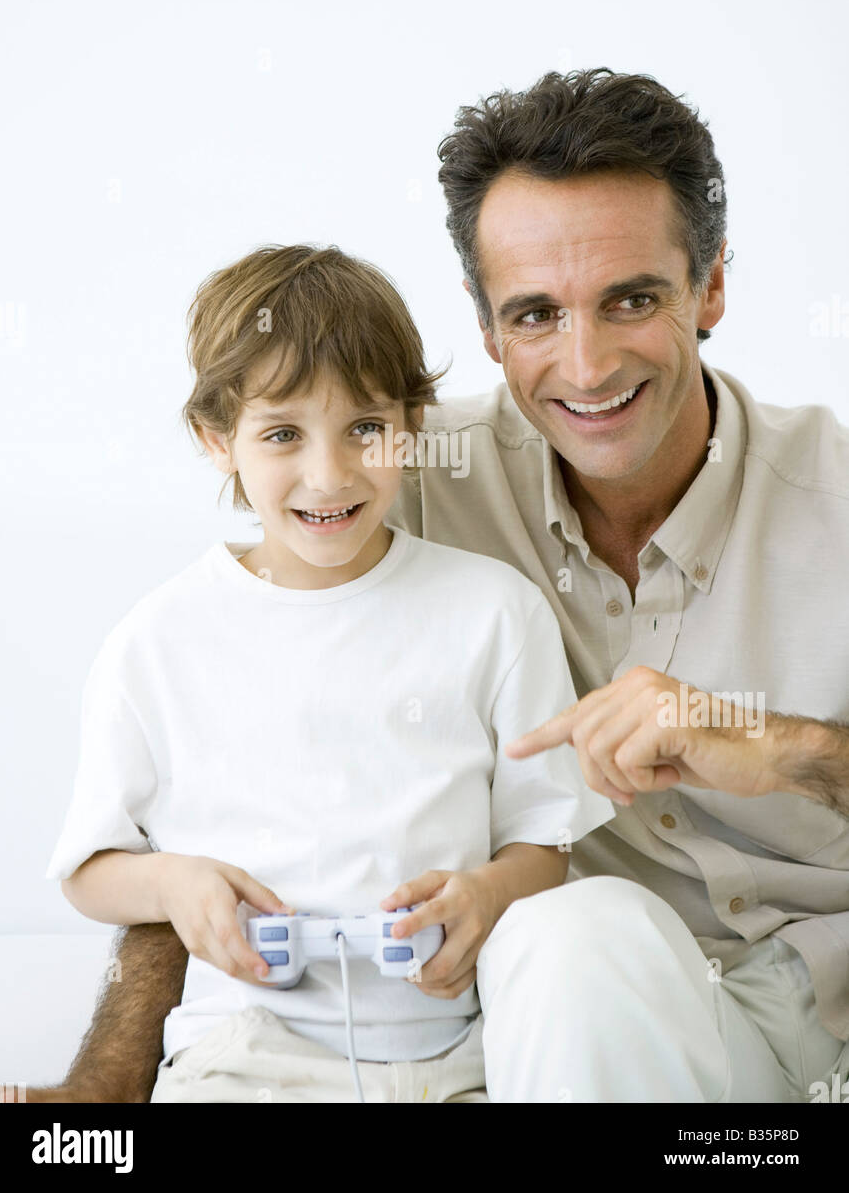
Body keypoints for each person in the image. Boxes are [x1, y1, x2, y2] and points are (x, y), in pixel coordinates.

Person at [0, 68, 848, 1104]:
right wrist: (106, 1086)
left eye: (631, 298)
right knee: (570, 926)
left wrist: (784, 746)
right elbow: (227, 781)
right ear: (487, 331)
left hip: (825, 1003)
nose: (584, 364)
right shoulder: (380, 481)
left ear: (710, 287)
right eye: (535, 313)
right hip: (585, 1016)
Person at [39, 242, 614, 1104]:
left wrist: (486, 891)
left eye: (365, 429)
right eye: (281, 434)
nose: (328, 473)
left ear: (412, 427)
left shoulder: (494, 613)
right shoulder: (158, 640)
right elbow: (89, 869)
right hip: (242, 1052)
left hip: (458, 1054)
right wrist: (172, 882)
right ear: (215, 440)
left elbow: (544, 842)